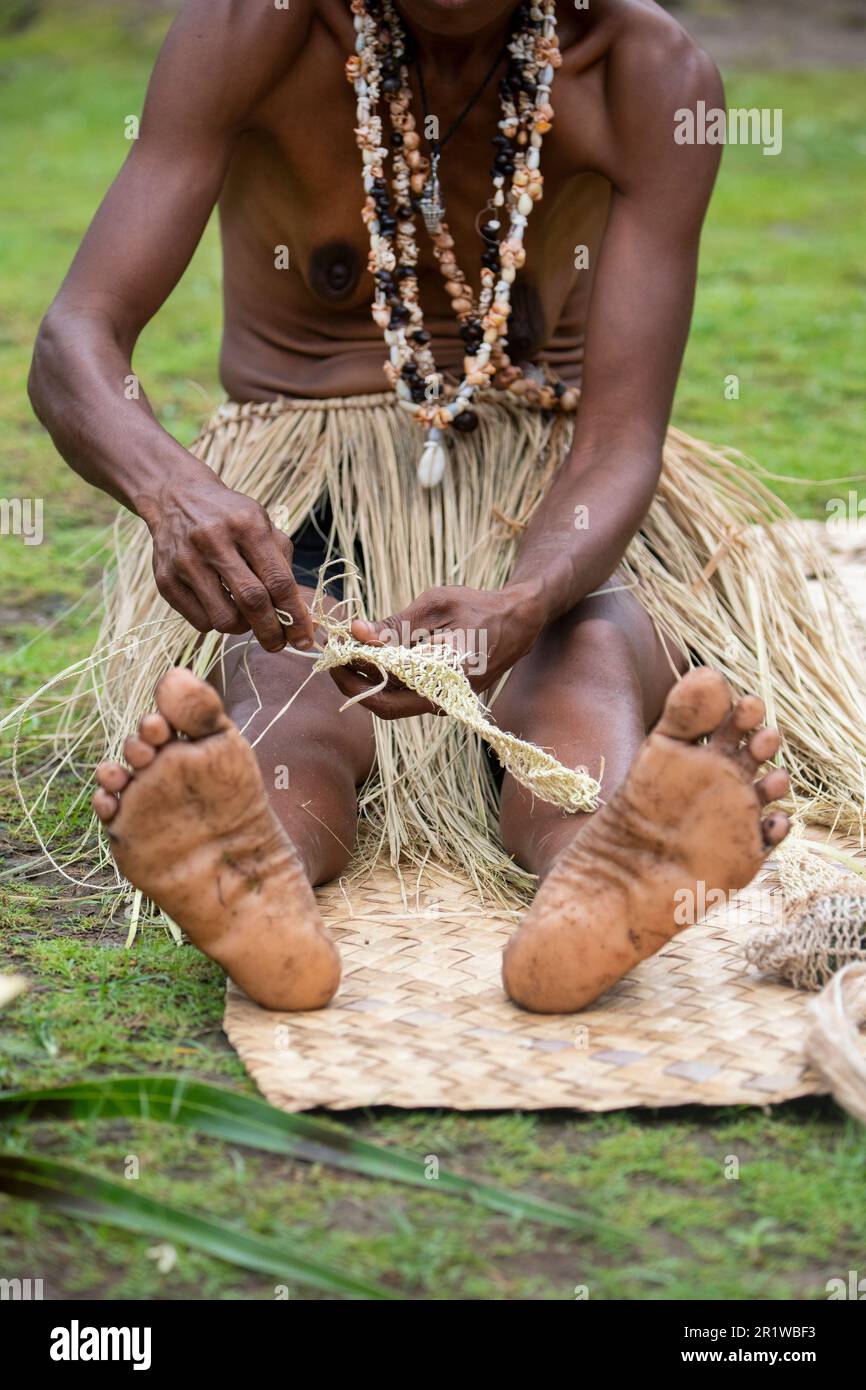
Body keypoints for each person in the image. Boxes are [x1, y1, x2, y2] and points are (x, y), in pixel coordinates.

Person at [26, 0, 862, 1013]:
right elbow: (76, 338)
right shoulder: (254, 32)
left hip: (553, 494)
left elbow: (616, 440)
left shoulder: (644, 74)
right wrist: (175, 493)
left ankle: (596, 877)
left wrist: (526, 597)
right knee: (288, 663)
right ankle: (252, 869)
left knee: (584, 655)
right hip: (310, 467)